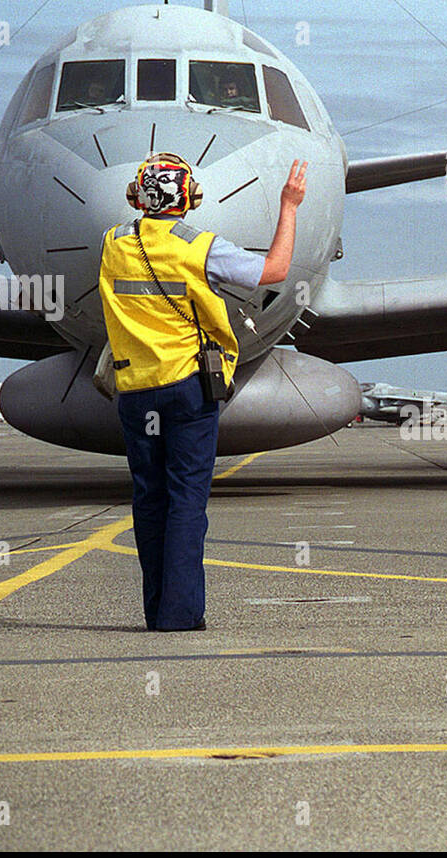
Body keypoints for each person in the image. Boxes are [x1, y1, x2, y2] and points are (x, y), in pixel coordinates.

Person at [99, 153, 307, 631]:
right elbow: (273, 271)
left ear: (136, 197)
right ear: (190, 199)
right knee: (186, 500)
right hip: (188, 390)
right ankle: (180, 614)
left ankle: (156, 611)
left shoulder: (111, 244)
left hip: (134, 391)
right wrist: (290, 206)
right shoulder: (200, 248)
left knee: (149, 499)